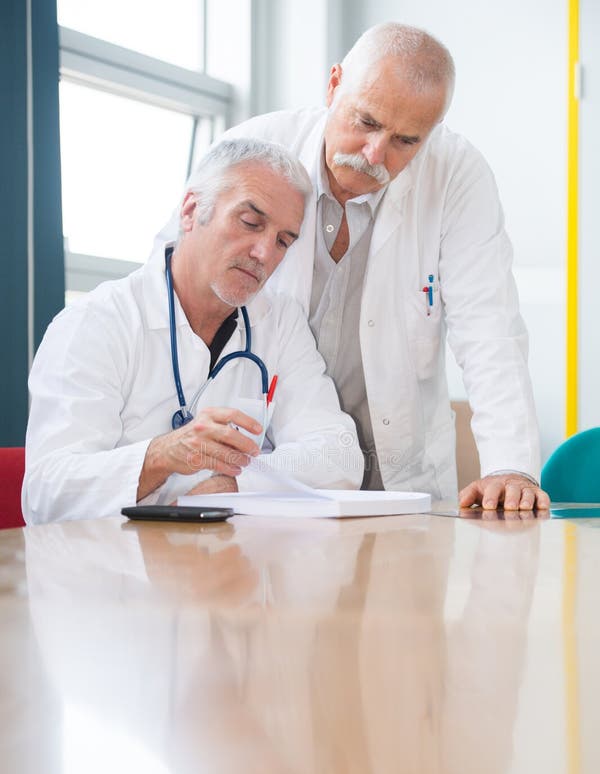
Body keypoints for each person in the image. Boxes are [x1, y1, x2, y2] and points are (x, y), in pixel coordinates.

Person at [157, 22, 550, 512]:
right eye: (366, 122)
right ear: (334, 83)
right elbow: (172, 289)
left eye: (406, 141)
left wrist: (509, 466)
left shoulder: (455, 175)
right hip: (269, 471)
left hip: (401, 479)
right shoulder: (257, 150)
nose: (375, 156)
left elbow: (490, 329)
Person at [22, 139, 363, 524]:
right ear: (190, 211)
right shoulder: (95, 322)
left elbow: (340, 455)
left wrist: (233, 486)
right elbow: (46, 494)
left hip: (233, 566)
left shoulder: (280, 321)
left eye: (283, 241)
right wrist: (163, 455)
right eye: (250, 223)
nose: (265, 253)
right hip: (118, 571)